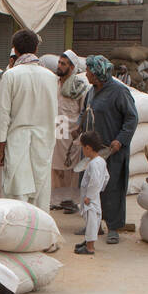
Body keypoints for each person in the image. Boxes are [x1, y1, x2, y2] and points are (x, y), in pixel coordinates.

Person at [0, 29, 58, 211]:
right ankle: (39, 232)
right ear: (36, 48)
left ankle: (18, 233)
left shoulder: (11, 75)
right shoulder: (51, 77)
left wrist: (0, 151)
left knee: (17, 190)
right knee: (40, 189)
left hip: (17, 141)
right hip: (44, 141)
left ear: (15, 49)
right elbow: (55, 114)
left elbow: (2, 115)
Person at [80, 54, 138, 245]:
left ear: (97, 74)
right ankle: (93, 225)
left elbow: (131, 118)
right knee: (91, 186)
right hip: (93, 150)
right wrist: (78, 129)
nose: (86, 74)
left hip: (112, 149)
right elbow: (85, 112)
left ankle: (113, 227)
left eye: (88, 71)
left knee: (112, 188)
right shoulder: (92, 90)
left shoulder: (119, 92)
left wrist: (120, 140)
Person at [52, 50, 89, 212]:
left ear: (72, 67)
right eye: (59, 63)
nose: (59, 66)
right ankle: (57, 200)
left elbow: (83, 111)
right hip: (57, 128)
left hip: (72, 131)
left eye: (63, 64)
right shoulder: (54, 83)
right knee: (55, 167)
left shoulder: (79, 87)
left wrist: (78, 130)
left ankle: (70, 201)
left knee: (71, 169)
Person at [73, 132, 109, 256]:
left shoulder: (93, 164)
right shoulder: (101, 161)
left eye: (83, 147)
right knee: (92, 220)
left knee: (91, 221)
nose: (83, 150)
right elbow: (106, 178)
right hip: (95, 196)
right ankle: (88, 241)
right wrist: (99, 190)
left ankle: (90, 247)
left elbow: (93, 181)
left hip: (91, 198)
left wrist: (89, 196)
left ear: (88, 148)